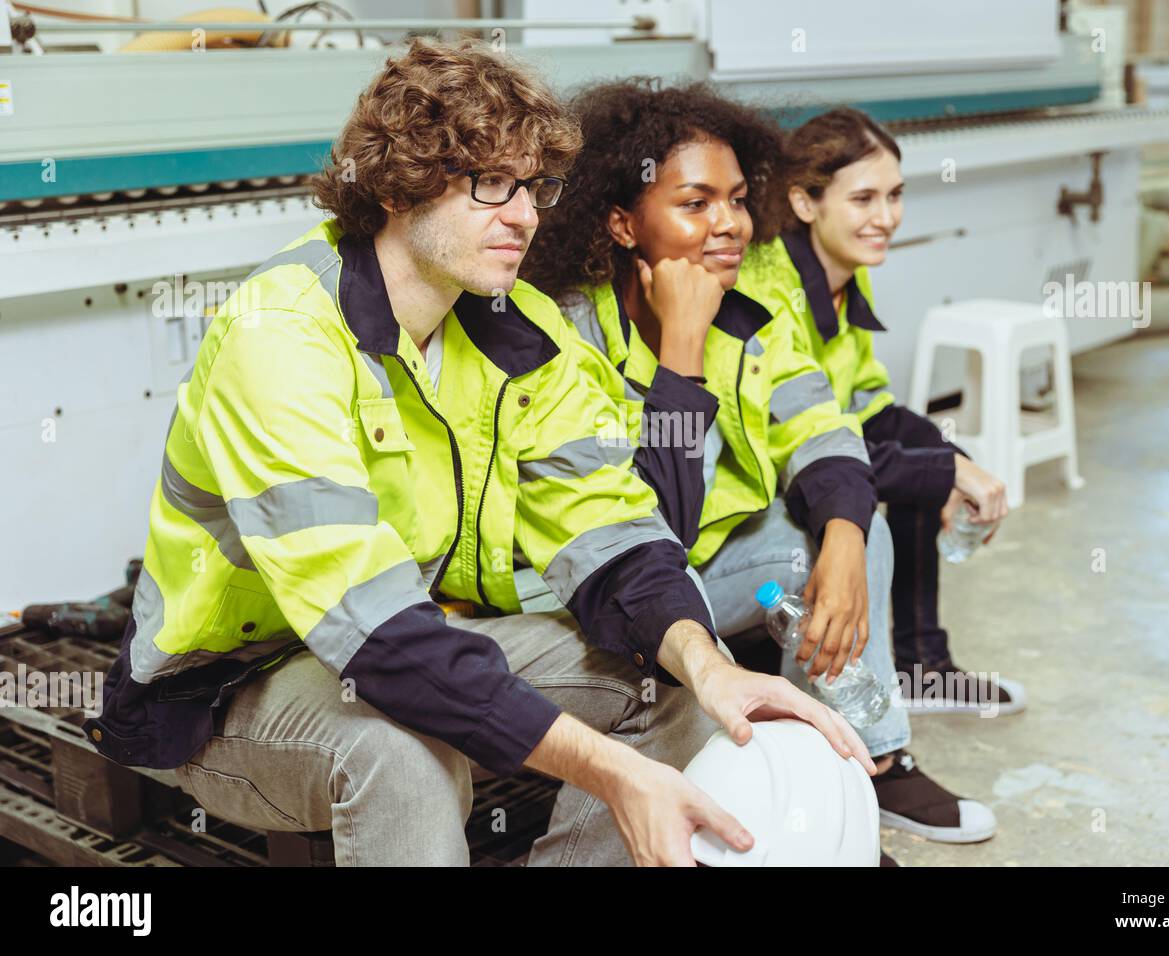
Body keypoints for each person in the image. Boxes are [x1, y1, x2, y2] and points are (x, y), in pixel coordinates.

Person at [81, 42, 873, 868]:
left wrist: (710, 670)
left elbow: (610, 522)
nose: (526, 215)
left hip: (408, 634)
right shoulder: (282, 336)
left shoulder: (515, 326)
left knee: (668, 684)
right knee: (405, 756)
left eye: (534, 187)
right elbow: (375, 632)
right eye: (492, 184)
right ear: (395, 186)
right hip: (226, 690)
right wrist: (610, 770)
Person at [524, 81, 998, 845]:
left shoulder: (747, 319)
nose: (731, 224)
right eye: (696, 203)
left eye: (739, 200)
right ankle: (807, 801)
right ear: (620, 221)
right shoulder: (566, 333)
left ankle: (861, 777)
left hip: (707, 572)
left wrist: (846, 535)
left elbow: (826, 428)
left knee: (848, 526)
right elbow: (650, 530)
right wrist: (679, 351)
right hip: (604, 595)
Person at [738, 107, 1026, 716]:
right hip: (770, 474)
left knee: (927, 452)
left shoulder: (842, 271)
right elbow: (792, 437)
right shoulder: (765, 286)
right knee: (918, 475)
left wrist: (952, 460)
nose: (887, 218)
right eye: (864, 199)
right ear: (805, 201)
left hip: (824, 447)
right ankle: (868, 719)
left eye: (895, 196)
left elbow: (868, 405)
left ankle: (924, 666)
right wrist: (944, 472)